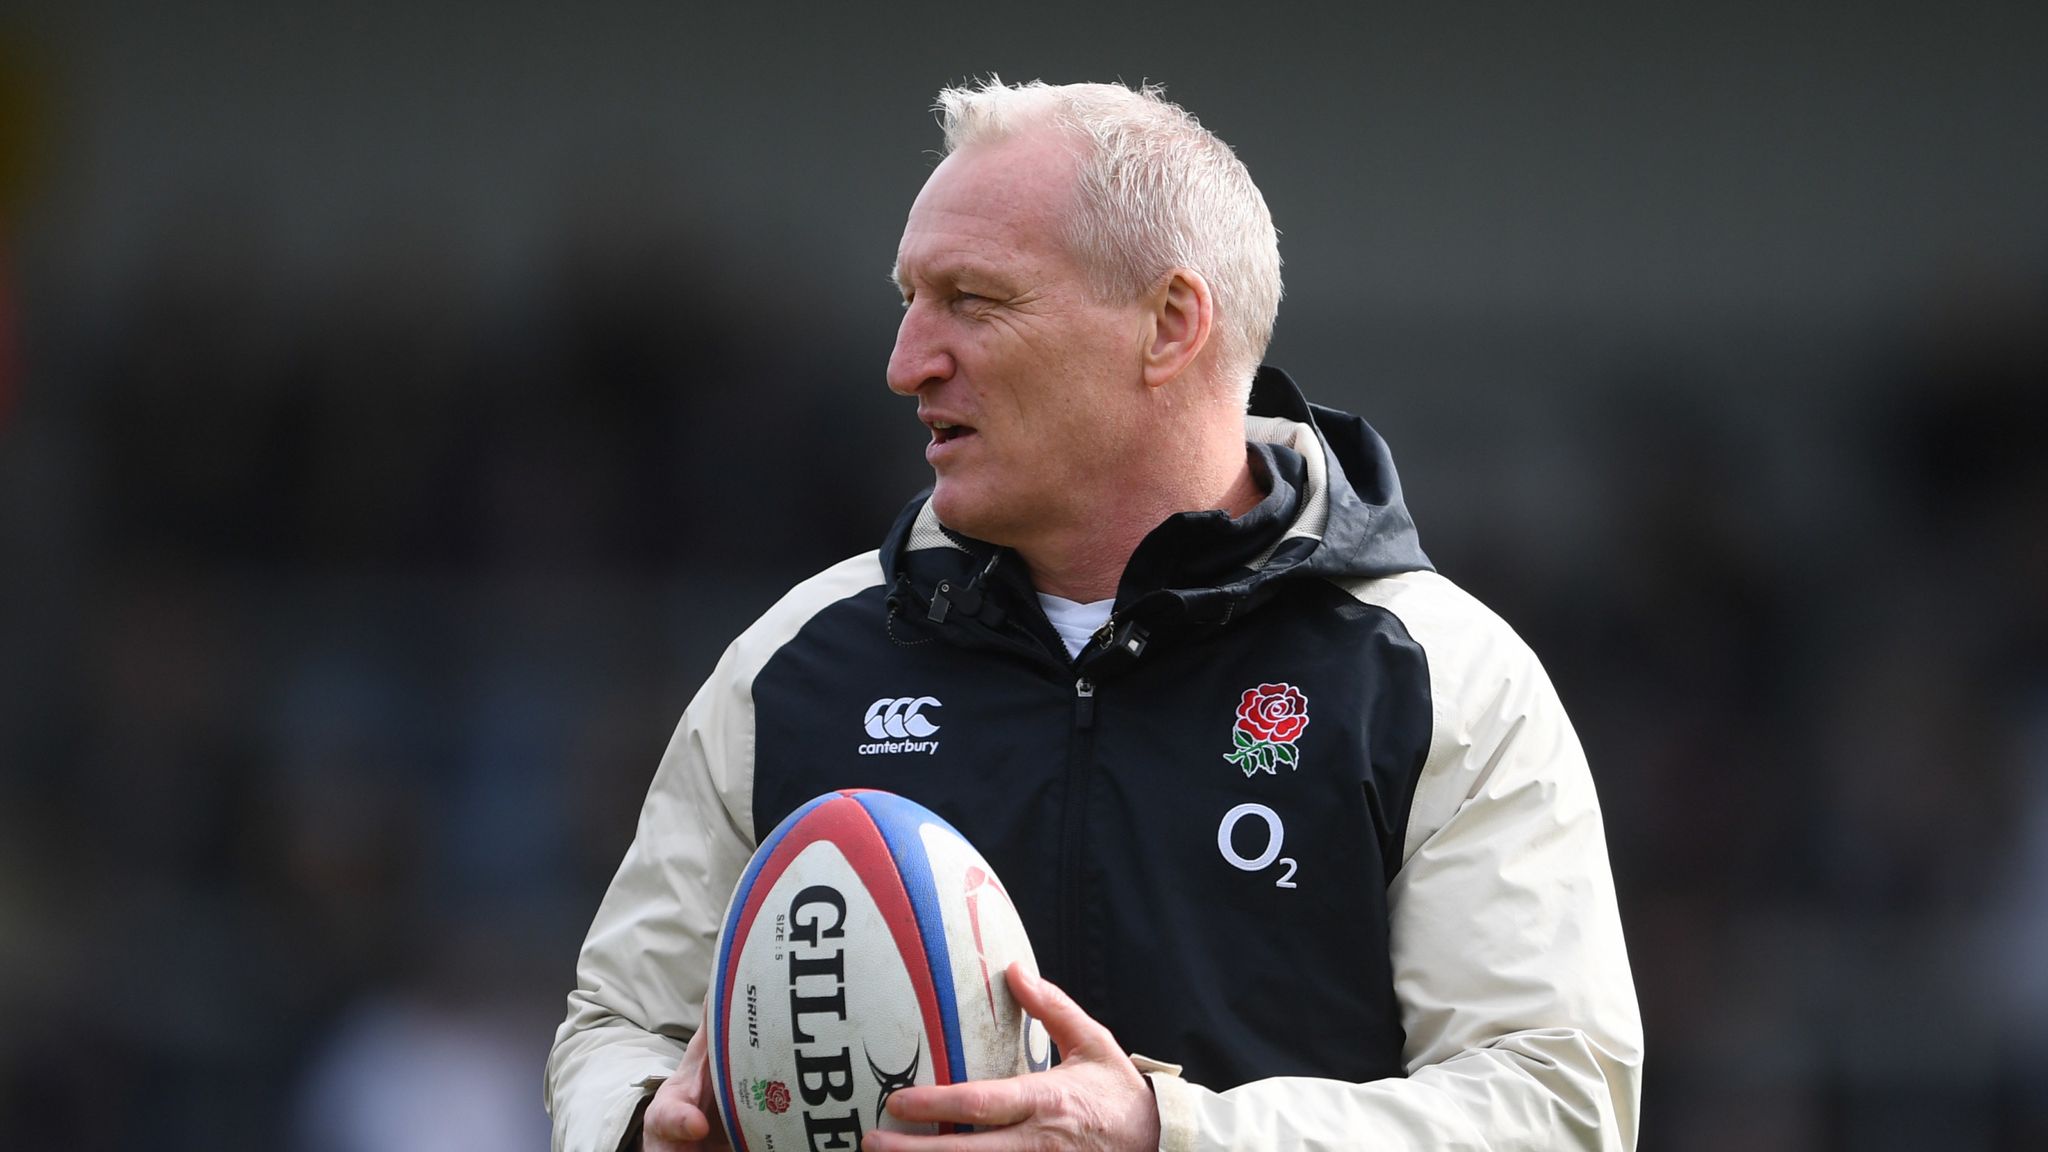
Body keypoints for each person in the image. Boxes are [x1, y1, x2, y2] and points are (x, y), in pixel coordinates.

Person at [546, 79, 1643, 1152]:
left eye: (971, 300)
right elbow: (617, 1029)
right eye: (907, 300)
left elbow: (1556, 1108)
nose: (904, 364)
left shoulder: (1438, 676)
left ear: (1168, 325)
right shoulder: (792, 664)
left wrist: (1165, 1136)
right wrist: (647, 1124)